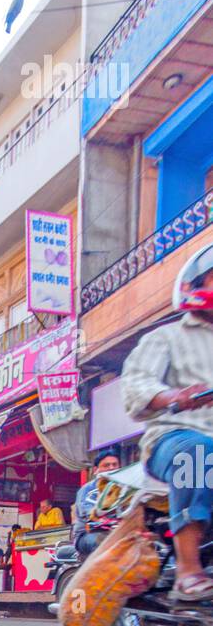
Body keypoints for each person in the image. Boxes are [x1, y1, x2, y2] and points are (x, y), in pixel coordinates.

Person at [122, 242, 213, 600]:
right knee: (200, 452)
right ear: (193, 285)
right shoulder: (166, 337)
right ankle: (188, 571)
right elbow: (136, 386)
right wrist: (173, 396)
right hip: (175, 439)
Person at [72, 449, 121, 555]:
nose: (111, 468)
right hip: (87, 534)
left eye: (114, 464)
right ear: (96, 469)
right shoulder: (87, 489)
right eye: (106, 465)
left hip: (117, 532)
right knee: (102, 542)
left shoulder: (123, 487)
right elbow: (86, 511)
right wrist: (98, 514)